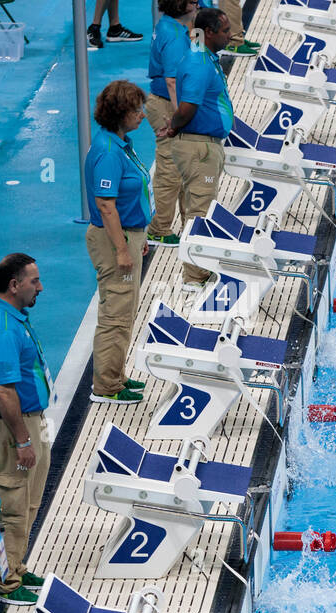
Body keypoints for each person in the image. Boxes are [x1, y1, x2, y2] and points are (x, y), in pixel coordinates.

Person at [84, 80, 153, 405]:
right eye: (135, 110)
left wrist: (138, 237)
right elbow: (105, 205)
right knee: (115, 313)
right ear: (118, 114)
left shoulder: (120, 142)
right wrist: (123, 248)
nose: (142, 115)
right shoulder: (108, 153)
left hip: (127, 235)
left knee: (123, 310)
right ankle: (106, 386)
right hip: (114, 241)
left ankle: (116, 374)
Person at [158, 8, 235, 291]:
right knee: (199, 211)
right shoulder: (199, 62)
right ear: (210, 33)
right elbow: (187, 107)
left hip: (202, 144)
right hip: (198, 147)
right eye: (225, 31)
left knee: (200, 207)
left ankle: (197, 269)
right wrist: (174, 127)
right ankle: (194, 276)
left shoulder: (205, 57)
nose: (231, 35)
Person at [0, 254, 52, 607]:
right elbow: (3, 390)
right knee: (15, 503)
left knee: (30, 500)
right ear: (14, 285)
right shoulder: (4, 326)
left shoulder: (15, 318)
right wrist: (22, 439)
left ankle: (17, 563)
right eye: (34, 281)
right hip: (15, 426)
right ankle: (7, 580)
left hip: (33, 418)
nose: (41, 287)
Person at [145, 0, 200, 247]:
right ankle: (159, 229)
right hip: (168, 104)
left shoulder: (171, 24)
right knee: (170, 167)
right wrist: (181, 116)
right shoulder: (175, 35)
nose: (198, 3)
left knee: (181, 164)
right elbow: (171, 80)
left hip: (166, 100)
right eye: (193, 1)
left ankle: (187, 222)